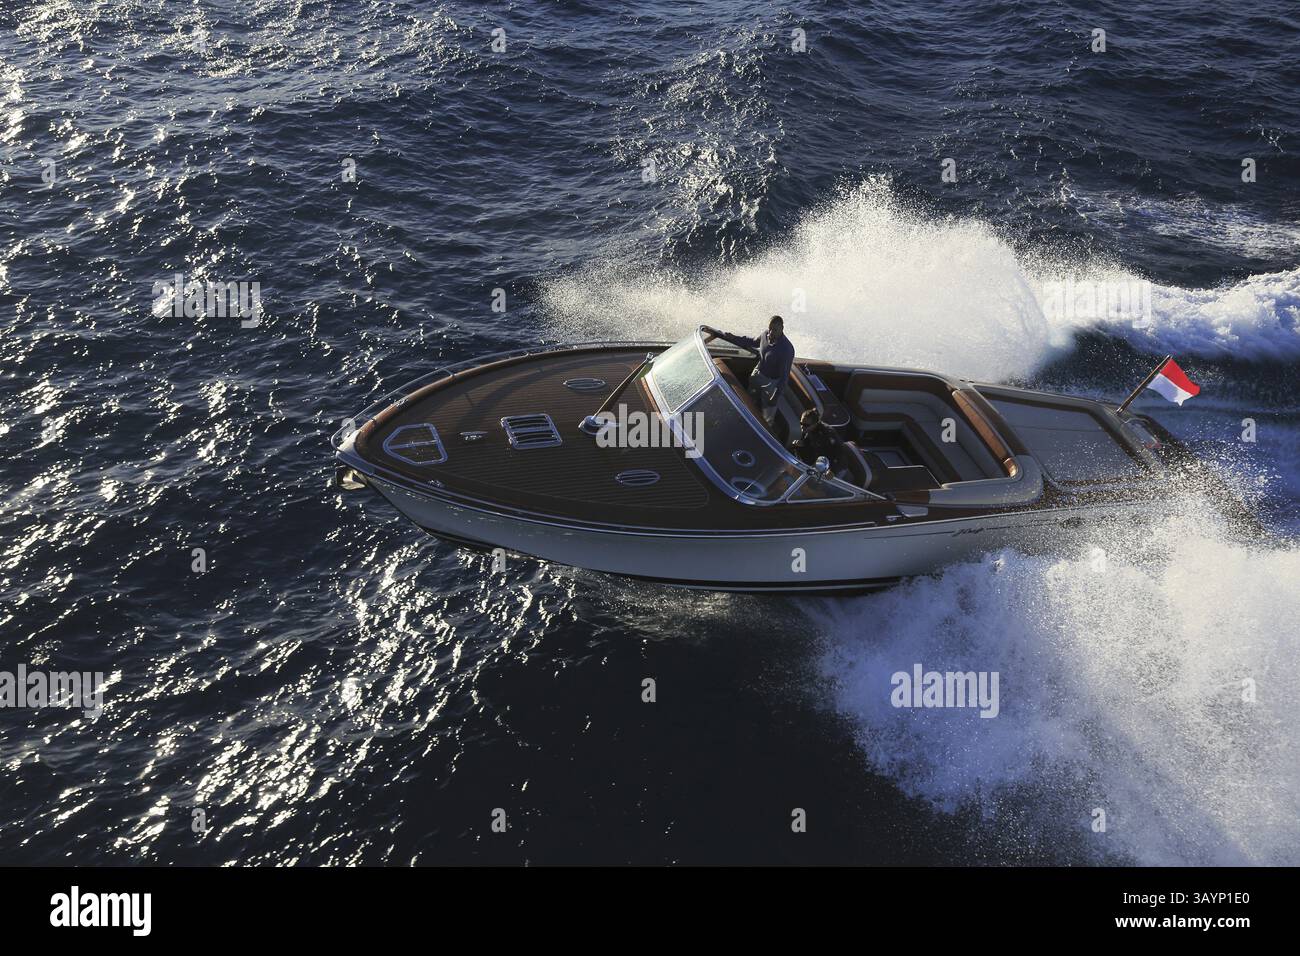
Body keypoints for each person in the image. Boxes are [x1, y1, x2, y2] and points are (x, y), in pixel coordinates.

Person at [703, 315, 794, 425]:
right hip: (758, 373)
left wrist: (775, 395)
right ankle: (745, 421)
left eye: (775, 330)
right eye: (770, 328)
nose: (771, 332)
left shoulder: (787, 349)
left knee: (767, 414)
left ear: (782, 328)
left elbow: (784, 377)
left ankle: (765, 430)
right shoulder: (765, 334)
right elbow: (753, 342)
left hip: (771, 383)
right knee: (749, 400)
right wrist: (734, 338)